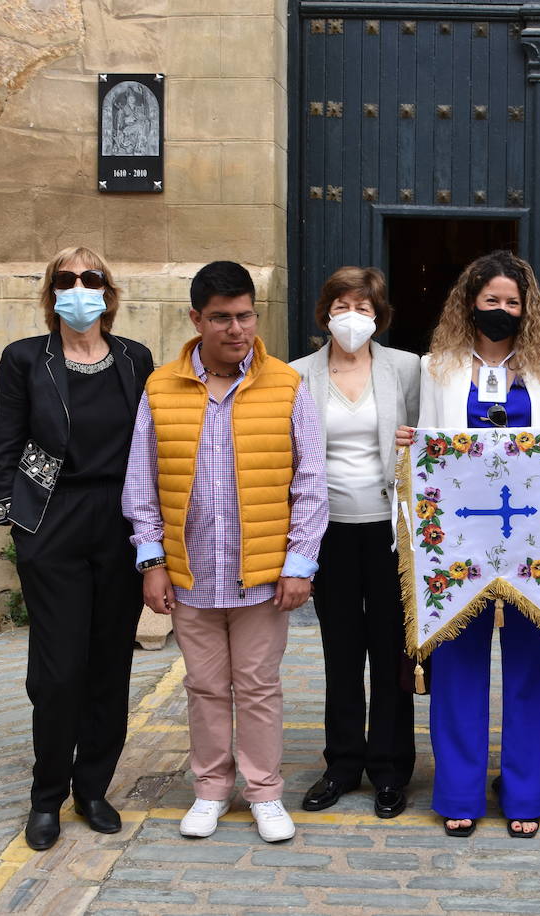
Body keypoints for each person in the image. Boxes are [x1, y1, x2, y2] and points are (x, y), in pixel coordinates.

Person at [394, 250, 540, 839]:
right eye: (492, 302)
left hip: (534, 535)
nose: (503, 311)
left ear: (526, 307)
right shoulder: (437, 367)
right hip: (457, 538)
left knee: (535, 666)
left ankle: (526, 792)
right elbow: (425, 449)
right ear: (470, 304)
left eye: (513, 302)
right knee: (457, 662)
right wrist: (411, 445)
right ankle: (459, 789)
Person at [122, 260, 329, 844]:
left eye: (245, 316)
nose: (237, 329)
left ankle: (264, 791)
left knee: (259, 685)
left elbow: (309, 483)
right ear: (197, 319)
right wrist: (152, 561)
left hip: (261, 573)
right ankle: (211, 789)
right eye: (222, 318)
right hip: (191, 574)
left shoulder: (286, 385)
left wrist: (299, 563)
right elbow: (141, 484)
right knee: (205, 686)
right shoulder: (161, 388)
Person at [0, 246, 154, 851]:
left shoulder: (134, 359)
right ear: (50, 290)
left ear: (108, 291)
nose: (79, 287)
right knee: (58, 671)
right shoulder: (26, 359)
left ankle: (92, 787)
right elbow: (6, 442)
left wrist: (152, 533)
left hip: (118, 520)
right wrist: (16, 521)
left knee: (110, 663)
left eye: (91, 278)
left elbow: (151, 443)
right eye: (67, 278)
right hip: (51, 520)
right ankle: (46, 795)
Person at [288, 267, 420, 819]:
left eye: (364, 308)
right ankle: (342, 763)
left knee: (393, 652)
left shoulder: (407, 369)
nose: (352, 317)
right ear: (325, 313)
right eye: (342, 306)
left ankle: (390, 769)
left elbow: (429, 442)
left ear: (379, 315)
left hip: (392, 532)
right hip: (329, 531)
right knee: (341, 651)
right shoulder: (297, 375)